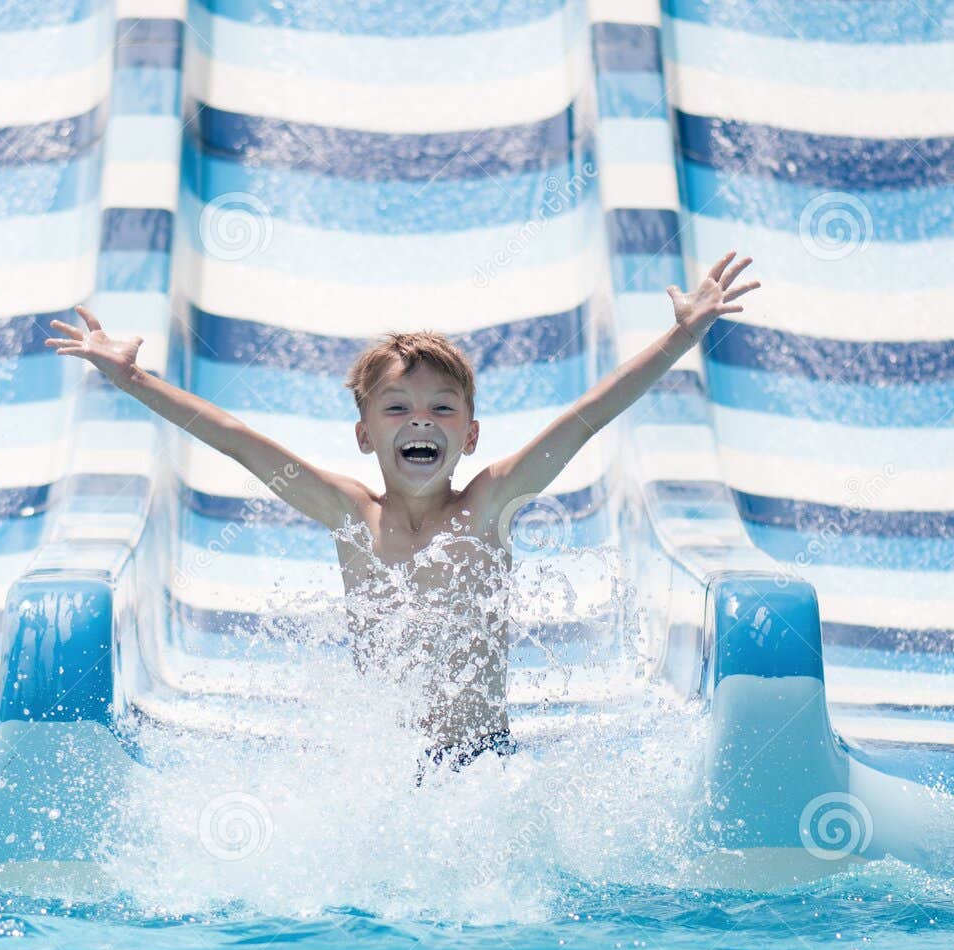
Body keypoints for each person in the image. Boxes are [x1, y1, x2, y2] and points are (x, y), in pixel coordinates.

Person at [46, 251, 758, 772]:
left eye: (443, 408)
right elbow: (238, 443)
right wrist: (133, 380)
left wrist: (680, 338)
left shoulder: (489, 504)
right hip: (388, 770)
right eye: (398, 408)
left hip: (486, 765)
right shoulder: (349, 512)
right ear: (365, 434)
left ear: (470, 435)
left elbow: (586, 419)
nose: (422, 421)